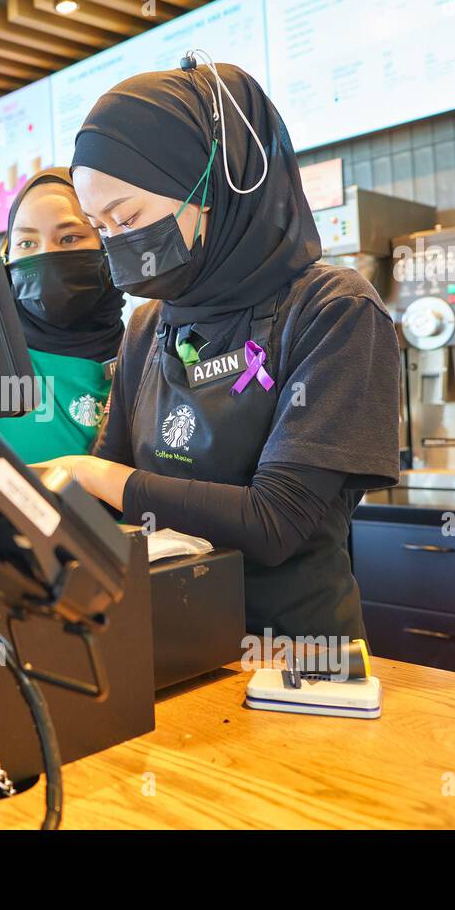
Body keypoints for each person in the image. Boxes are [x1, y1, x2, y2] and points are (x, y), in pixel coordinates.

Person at [40, 60, 400, 641]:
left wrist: (88, 471)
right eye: (99, 227)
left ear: (210, 184)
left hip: (295, 659)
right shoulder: (150, 324)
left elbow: (274, 522)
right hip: (171, 640)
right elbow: (112, 500)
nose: (117, 242)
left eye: (127, 216)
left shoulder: (335, 310)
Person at [0, 167, 125, 463]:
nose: (46, 255)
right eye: (26, 243)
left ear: (106, 248)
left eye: (69, 238)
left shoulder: (146, 354)